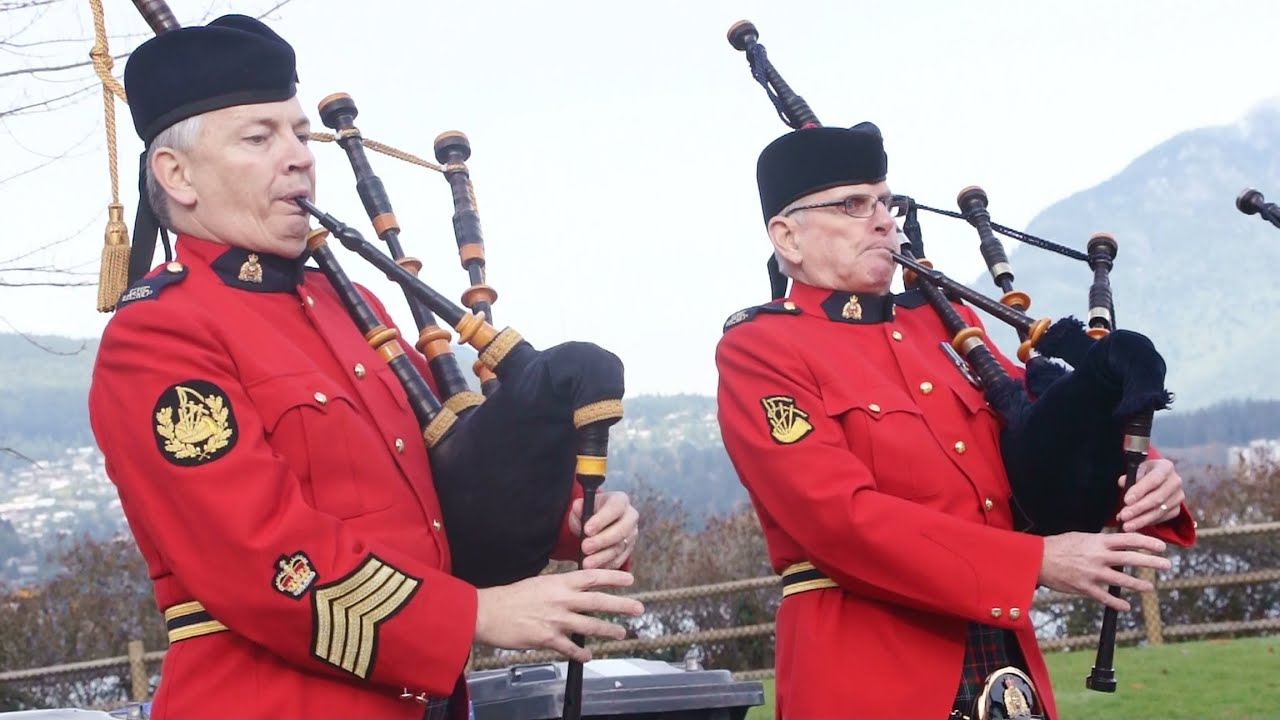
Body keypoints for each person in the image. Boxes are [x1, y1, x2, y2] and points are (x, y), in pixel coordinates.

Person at [88, 15, 641, 720]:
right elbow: (263, 560)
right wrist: (469, 617)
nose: (299, 157)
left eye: (299, 132)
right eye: (260, 138)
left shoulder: (348, 307)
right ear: (178, 175)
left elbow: (446, 486)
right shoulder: (159, 335)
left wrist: (567, 516)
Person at [714, 123, 1198, 719]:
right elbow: (839, 521)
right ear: (788, 236)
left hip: (1002, 660)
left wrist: (1140, 474)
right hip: (867, 670)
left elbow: (1034, 432)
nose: (884, 220)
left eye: (885, 202)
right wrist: (1035, 563)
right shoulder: (762, 349)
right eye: (853, 205)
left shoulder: (942, 322)